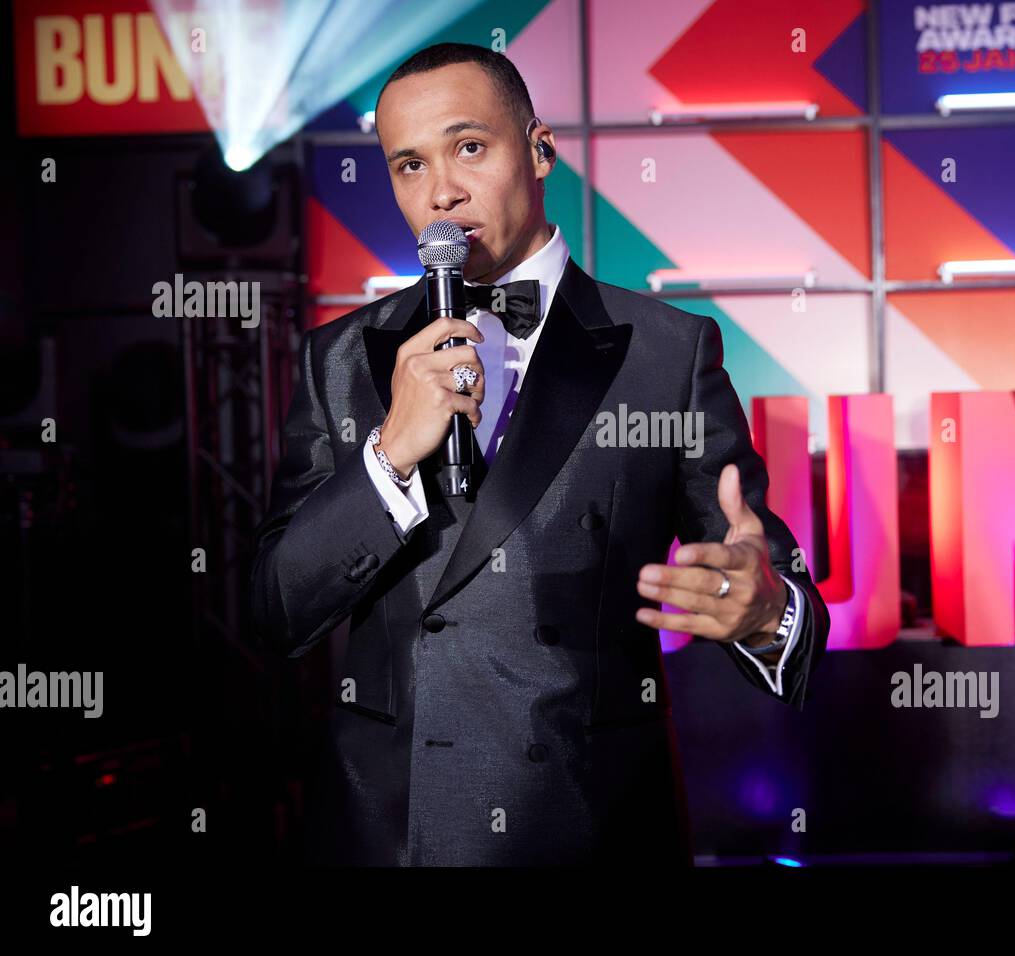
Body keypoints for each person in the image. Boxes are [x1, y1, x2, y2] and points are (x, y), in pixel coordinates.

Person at [250, 42, 830, 866]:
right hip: (391, 831)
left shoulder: (664, 352)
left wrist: (765, 609)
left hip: (586, 821)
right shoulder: (341, 360)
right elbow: (277, 608)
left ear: (541, 148)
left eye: (469, 147)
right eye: (408, 165)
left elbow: (754, 556)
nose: (441, 191)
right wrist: (387, 459)